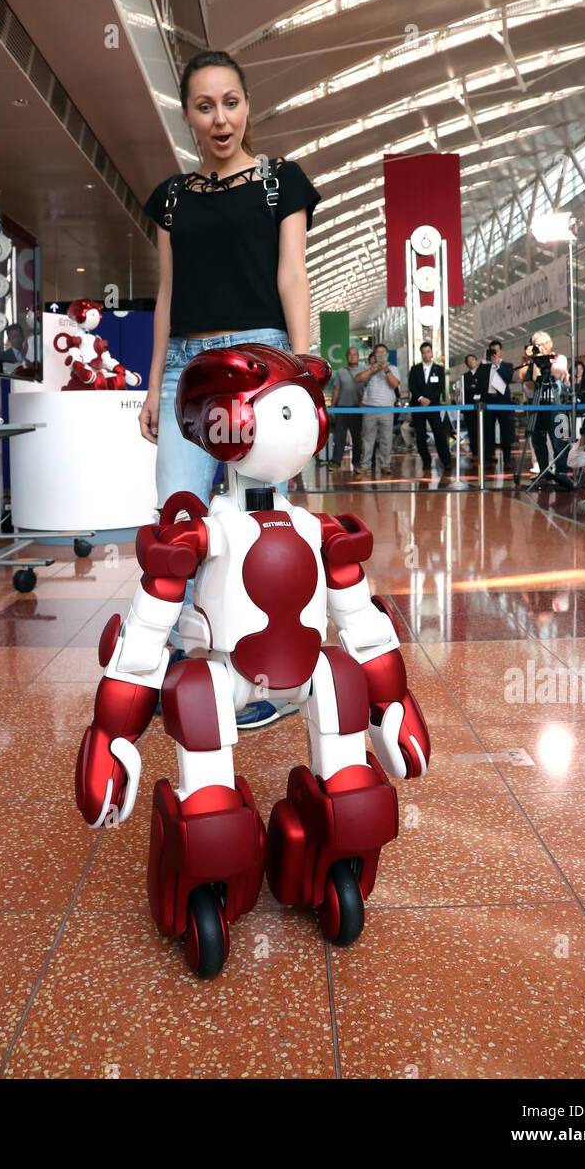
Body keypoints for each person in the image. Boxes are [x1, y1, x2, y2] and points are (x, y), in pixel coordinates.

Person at [140, 48, 320, 726]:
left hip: (261, 362)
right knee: (178, 517)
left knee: (262, 522)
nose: (221, 118)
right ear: (186, 116)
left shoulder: (282, 183)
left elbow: (292, 278)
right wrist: (154, 385)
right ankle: (189, 662)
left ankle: (269, 672)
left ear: (249, 106)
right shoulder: (172, 198)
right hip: (187, 368)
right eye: (205, 106)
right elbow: (167, 294)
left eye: (232, 102)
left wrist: (300, 371)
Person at [517, 330, 573, 486]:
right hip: (536, 403)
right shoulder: (530, 361)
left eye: (541, 344)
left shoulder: (558, 358)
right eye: (535, 345)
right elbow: (522, 378)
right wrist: (532, 359)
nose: (539, 348)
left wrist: (542, 361)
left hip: (554, 403)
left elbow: (554, 374)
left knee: (558, 439)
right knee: (537, 440)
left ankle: (561, 472)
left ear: (549, 344)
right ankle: (544, 471)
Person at [355, 343, 400, 475]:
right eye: (377, 353)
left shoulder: (393, 368)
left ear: (386, 355)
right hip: (370, 408)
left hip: (387, 408)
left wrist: (386, 370)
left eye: (382, 353)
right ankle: (365, 465)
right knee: (368, 438)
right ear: (374, 355)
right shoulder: (368, 368)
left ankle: (385, 465)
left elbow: (395, 384)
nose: (380, 355)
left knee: (386, 438)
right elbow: (357, 379)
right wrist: (372, 369)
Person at [407, 341, 451, 472]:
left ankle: (446, 461)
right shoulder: (415, 369)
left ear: (432, 353)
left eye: (428, 352)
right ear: (421, 354)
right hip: (418, 406)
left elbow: (440, 387)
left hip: (433, 406)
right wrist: (421, 398)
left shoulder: (439, 369)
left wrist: (429, 400)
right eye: (424, 352)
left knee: (439, 433)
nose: (426, 354)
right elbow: (412, 386)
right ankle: (426, 460)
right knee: (420, 435)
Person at [474, 339, 515, 469]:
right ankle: (489, 456)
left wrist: (497, 365)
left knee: (505, 431)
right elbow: (478, 379)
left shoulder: (507, 365)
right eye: (491, 352)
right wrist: (483, 360)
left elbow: (508, 378)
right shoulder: (485, 366)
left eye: (496, 351)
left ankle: (507, 458)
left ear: (501, 351)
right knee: (488, 429)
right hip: (489, 400)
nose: (494, 354)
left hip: (502, 401)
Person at [328, 346, 362, 471]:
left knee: (357, 438)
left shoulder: (363, 371)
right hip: (341, 409)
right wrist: (332, 407)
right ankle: (336, 462)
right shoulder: (341, 372)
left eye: (355, 354)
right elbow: (336, 390)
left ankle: (357, 462)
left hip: (357, 409)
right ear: (346, 357)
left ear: (358, 356)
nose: (352, 356)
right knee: (339, 437)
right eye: (350, 354)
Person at [461, 354, 481, 457]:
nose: (471, 362)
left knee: (484, 430)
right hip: (470, 409)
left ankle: (486, 453)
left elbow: (481, 388)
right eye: (468, 361)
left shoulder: (483, 374)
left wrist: (474, 387)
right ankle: (475, 453)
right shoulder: (465, 377)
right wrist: (473, 388)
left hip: (482, 408)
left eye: (473, 360)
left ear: (476, 361)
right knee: (472, 431)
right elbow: (466, 390)